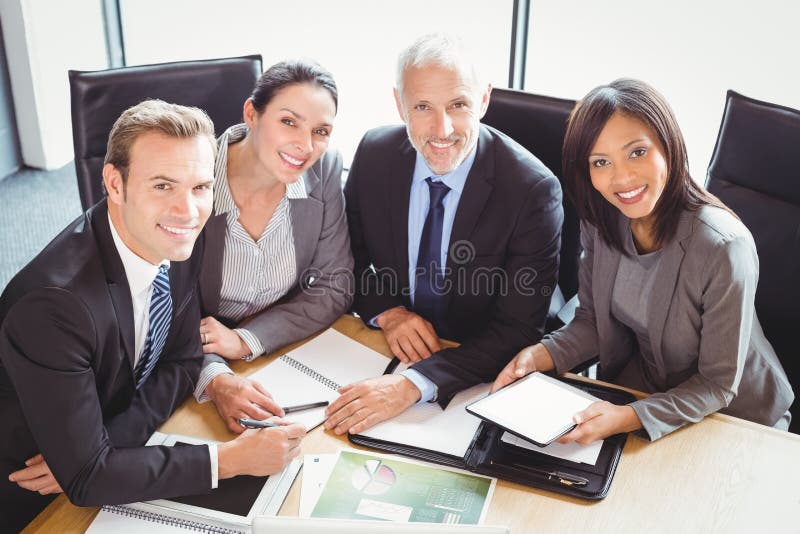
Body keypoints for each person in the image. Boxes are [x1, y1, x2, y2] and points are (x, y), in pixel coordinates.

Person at [0, 100, 305, 532]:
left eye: (200, 187)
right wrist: (229, 460)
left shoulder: (177, 235)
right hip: (27, 500)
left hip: (93, 455)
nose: (189, 210)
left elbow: (181, 362)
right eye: (163, 185)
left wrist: (99, 450)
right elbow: (87, 481)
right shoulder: (53, 308)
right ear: (115, 184)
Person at [493, 78, 794, 443]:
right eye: (601, 162)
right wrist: (538, 356)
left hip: (733, 419)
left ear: (667, 145)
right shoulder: (603, 218)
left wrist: (629, 417)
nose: (622, 178)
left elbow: (717, 385)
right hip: (643, 395)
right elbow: (592, 322)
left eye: (636, 152)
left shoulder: (723, 246)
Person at [324, 34, 563, 435]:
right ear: (400, 104)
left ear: (483, 100)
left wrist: (412, 385)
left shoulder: (532, 190)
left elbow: (519, 329)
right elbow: (348, 257)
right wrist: (390, 312)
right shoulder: (375, 152)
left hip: (476, 371)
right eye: (422, 107)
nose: (442, 129)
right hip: (383, 350)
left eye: (458, 105)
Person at [192, 60, 353, 433]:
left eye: (321, 130)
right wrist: (215, 376)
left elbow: (335, 285)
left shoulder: (323, 169)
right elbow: (158, 307)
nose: (305, 146)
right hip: (184, 363)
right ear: (252, 114)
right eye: (288, 122)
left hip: (277, 356)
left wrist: (247, 340)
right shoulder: (192, 179)